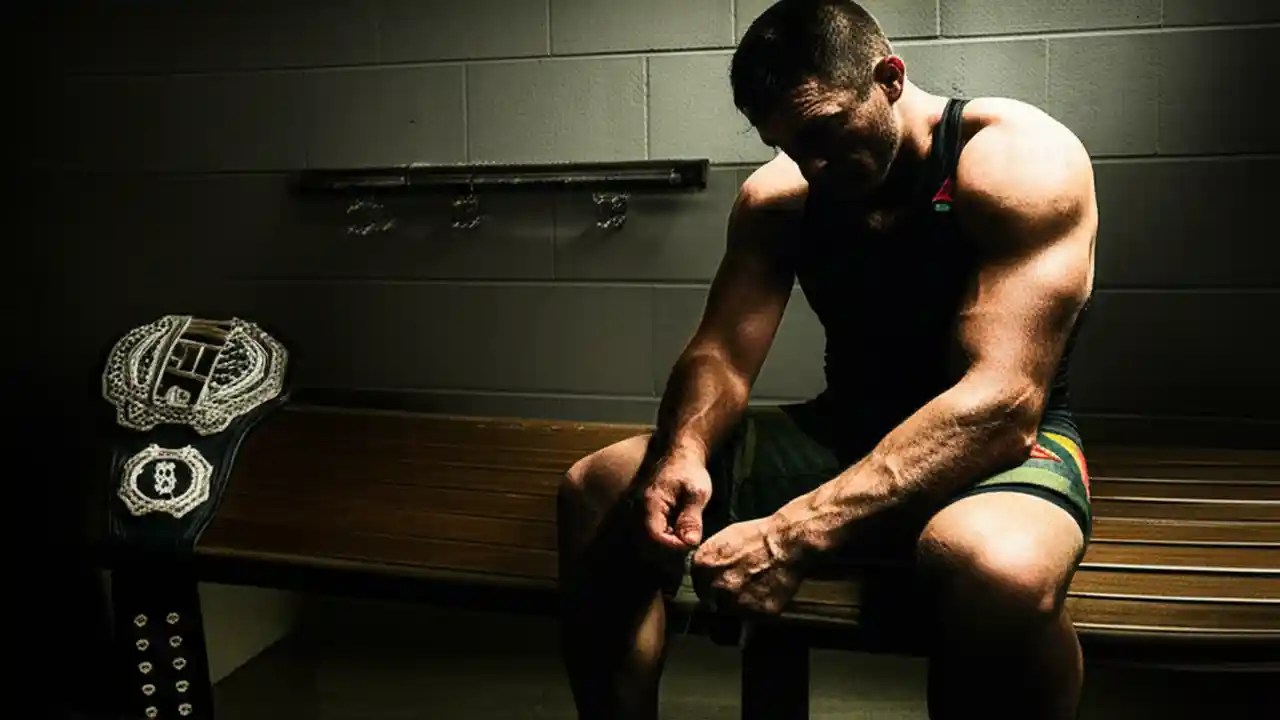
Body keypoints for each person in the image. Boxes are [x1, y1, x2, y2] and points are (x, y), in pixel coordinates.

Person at [556, 1, 1097, 718]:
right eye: (785, 144)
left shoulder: (1014, 162)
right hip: (847, 429)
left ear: (890, 78)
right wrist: (684, 452)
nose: (810, 164)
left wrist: (792, 534)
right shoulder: (781, 198)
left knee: (995, 567)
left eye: (824, 131)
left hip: (1002, 446)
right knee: (600, 487)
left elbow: (1003, 402)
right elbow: (721, 355)